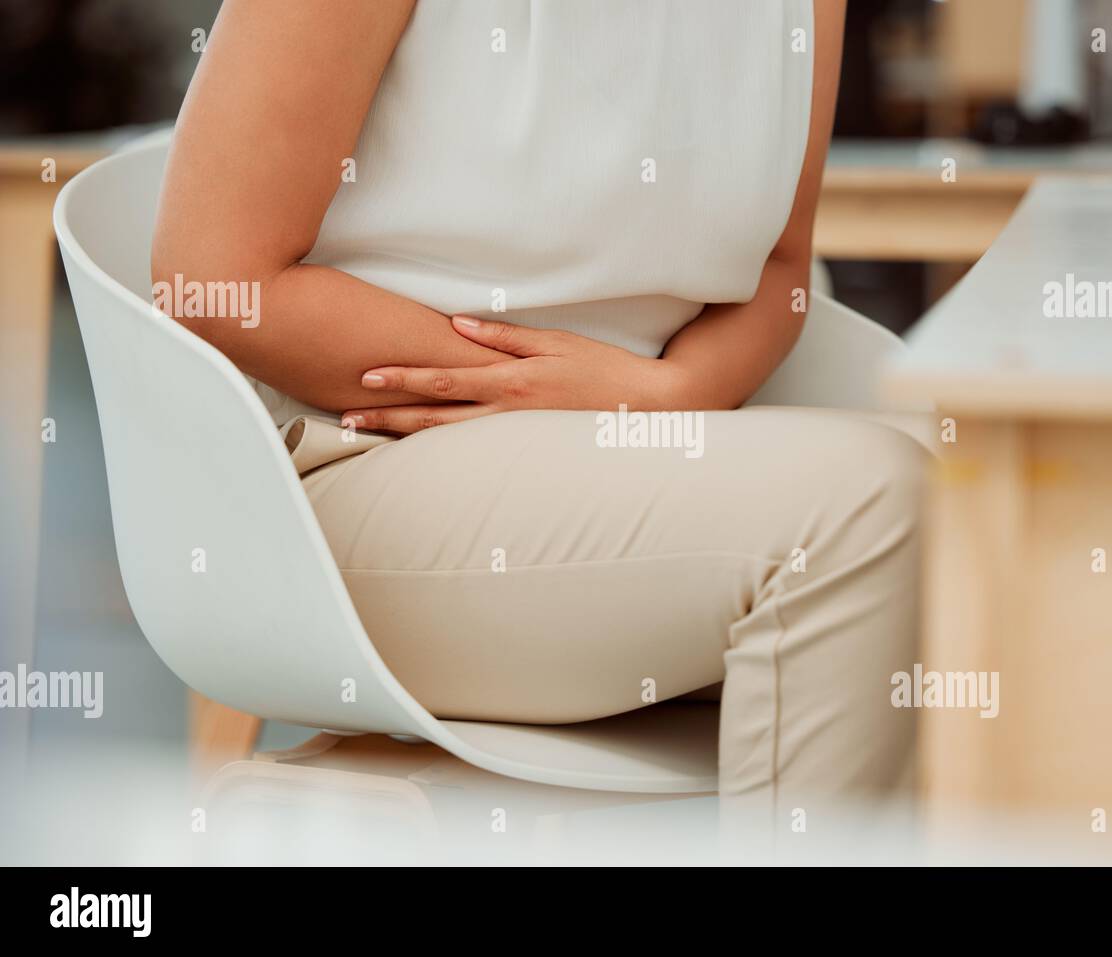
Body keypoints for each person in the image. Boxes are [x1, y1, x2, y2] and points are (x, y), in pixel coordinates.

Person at [152, 0, 924, 829]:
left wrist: (660, 396)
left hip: (668, 445)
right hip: (352, 466)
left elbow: (782, 267)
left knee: (987, 507)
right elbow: (214, 277)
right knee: (872, 507)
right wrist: (547, 391)